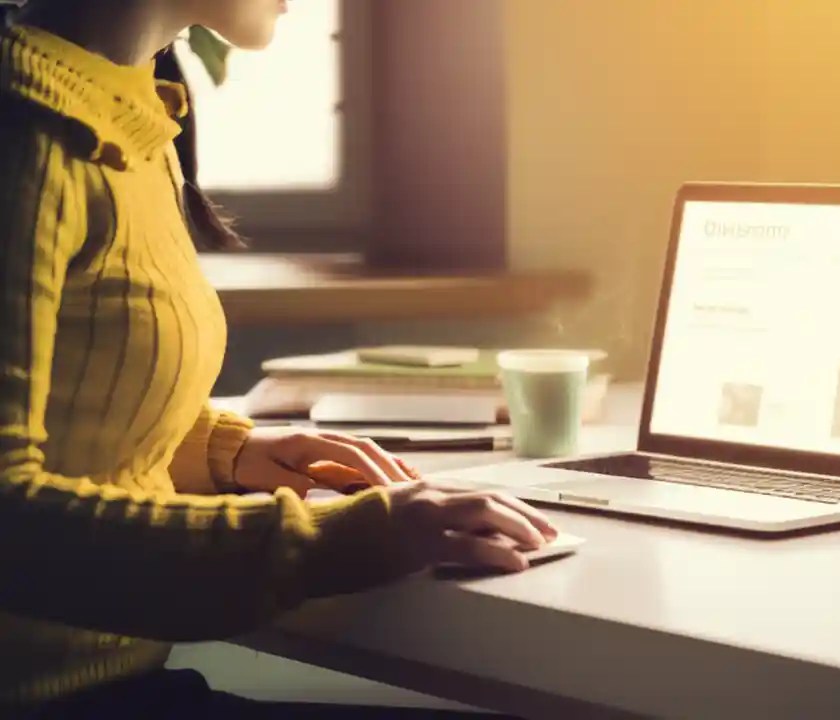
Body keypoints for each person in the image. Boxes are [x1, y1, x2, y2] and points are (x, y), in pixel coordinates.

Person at [0, 0, 558, 716]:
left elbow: (81, 391)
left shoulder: (125, 104)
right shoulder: (30, 134)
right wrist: (346, 538)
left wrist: (220, 450)